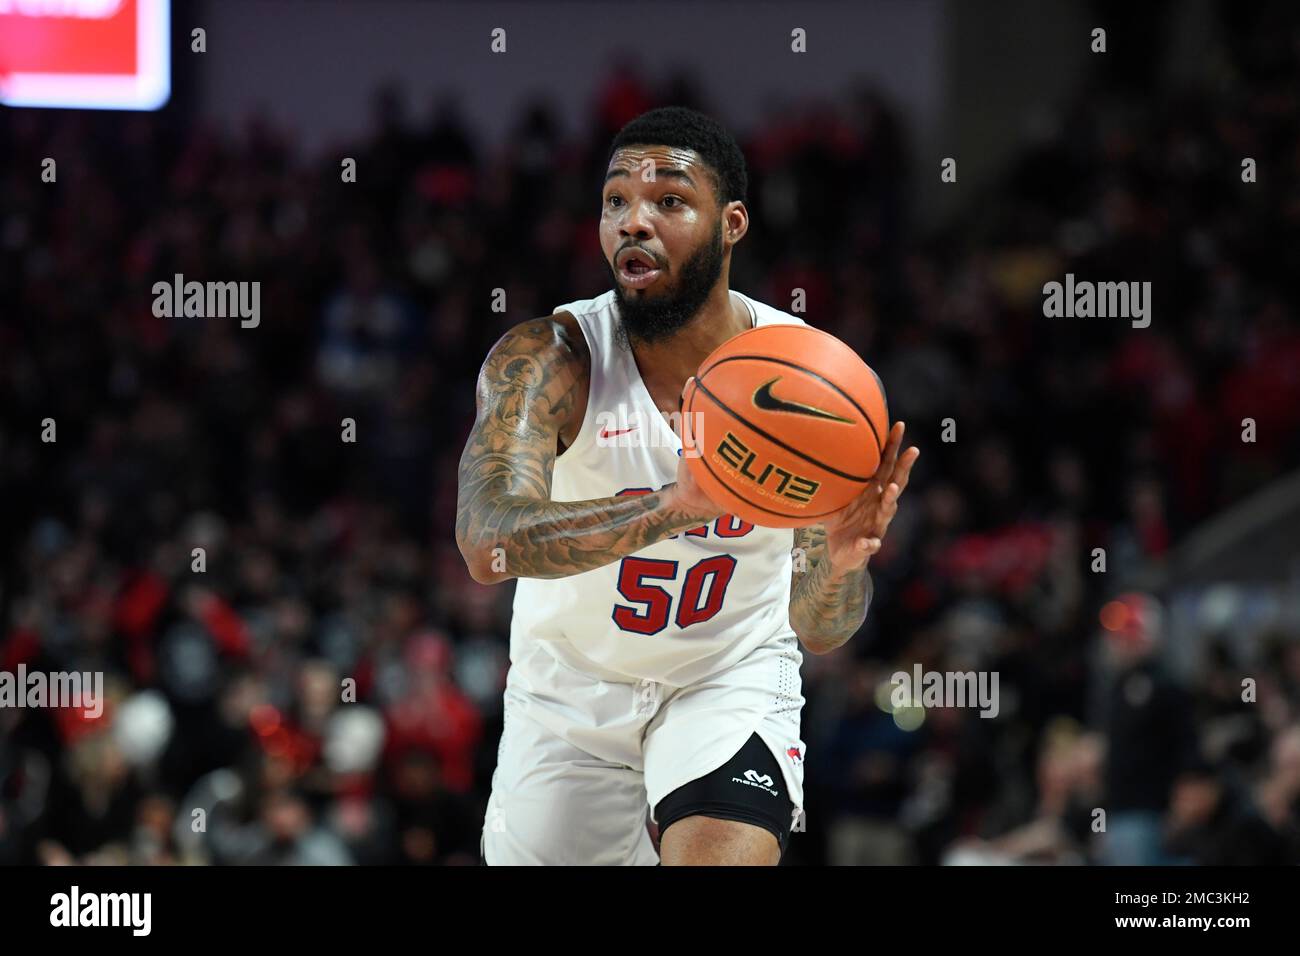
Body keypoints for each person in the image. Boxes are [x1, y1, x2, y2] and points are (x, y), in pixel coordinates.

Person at [455, 107, 919, 865]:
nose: (634, 223)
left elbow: (822, 628)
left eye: (668, 201)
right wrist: (674, 506)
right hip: (571, 692)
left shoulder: (805, 381)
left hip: (725, 679)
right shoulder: (552, 357)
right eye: (616, 203)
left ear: (732, 223)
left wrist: (837, 563)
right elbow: (486, 543)